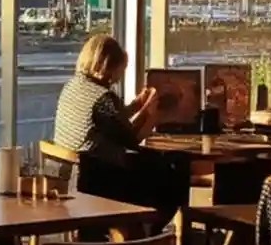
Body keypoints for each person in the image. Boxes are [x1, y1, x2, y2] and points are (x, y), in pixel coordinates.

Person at [53, 34, 186, 228]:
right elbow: (131, 138)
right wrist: (152, 112)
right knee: (173, 174)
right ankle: (150, 232)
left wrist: (137, 105)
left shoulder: (73, 87)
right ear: (109, 67)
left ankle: (141, 231)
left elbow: (112, 123)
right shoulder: (103, 98)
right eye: (121, 69)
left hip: (73, 174)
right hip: (100, 179)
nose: (121, 75)